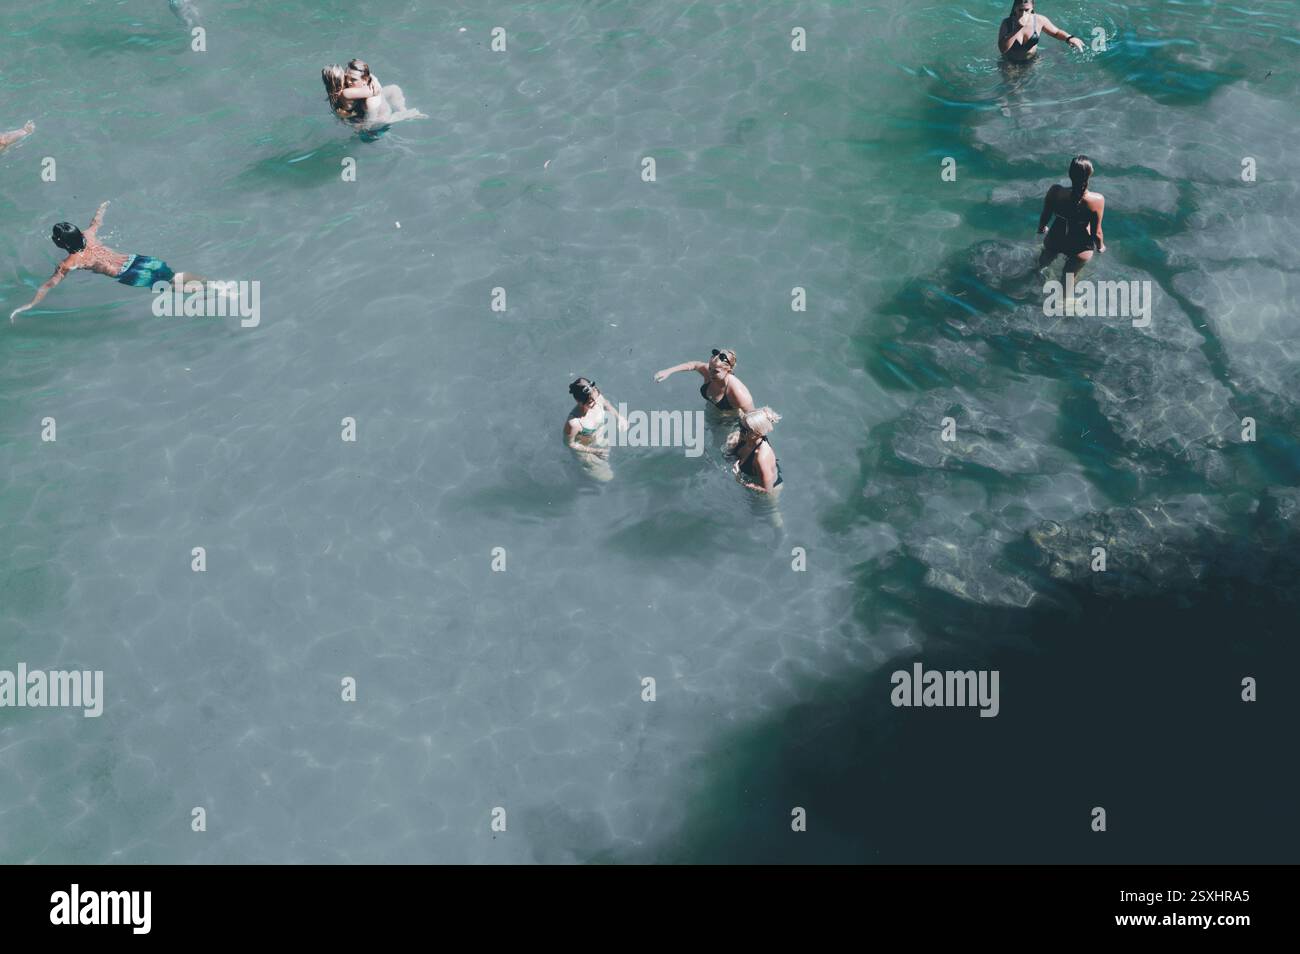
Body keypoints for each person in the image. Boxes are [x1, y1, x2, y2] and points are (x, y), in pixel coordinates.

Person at [9, 202, 211, 322]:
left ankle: (212, 292)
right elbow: (96, 222)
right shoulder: (90, 236)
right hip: (138, 259)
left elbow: (48, 285)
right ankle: (213, 284)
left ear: (59, 243)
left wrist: (28, 305)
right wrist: (102, 207)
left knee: (167, 288)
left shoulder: (68, 263)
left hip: (128, 274)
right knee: (174, 276)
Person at [1037, 155, 1105, 280]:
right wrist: (1101, 247)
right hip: (1080, 247)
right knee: (1068, 279)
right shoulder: (1097, 200)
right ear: (1090, 175)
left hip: (1054, 240)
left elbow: (1045, 215)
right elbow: (1097, 233)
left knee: (1040, 268)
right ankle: (1064, 299)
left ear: (1070, 174)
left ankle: (1036, 286)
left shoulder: (1055, 191)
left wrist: (1042, 228)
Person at [653, 348, 754, 414]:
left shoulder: (738, 392)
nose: (710, 373)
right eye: (710, 368)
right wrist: (668, 371)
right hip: (711, 413)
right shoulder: (709, 371)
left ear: (729, 371)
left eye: (716, 371)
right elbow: (694, 365)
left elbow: (753, 418)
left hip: (729, 422)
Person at [563, 378, 627, 481]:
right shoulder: (574, 422)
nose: (595, 403)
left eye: (595, 397)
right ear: (578, 401)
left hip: (600, 440)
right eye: (590, 402)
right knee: (607, 477)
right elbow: (569, 443)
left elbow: (606, 404)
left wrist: (619, 417)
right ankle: (578, 475)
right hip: (587, 451)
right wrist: (593, 451)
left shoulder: (596, 397)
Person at [998, 0, 1084, 62]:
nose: (1023, 14)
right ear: (1015, 9)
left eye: (1027, 10)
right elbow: (1003, 49)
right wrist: (1017, 28)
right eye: (1020, 10)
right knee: (1014, 86)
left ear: (1032, 8)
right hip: (1010, 63)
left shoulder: (1039, 20)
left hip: (1032, 60)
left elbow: (1056, 32)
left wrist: (1069, 38)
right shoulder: (1007, 23)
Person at [731, 407, 783, 494]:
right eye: (740, 425)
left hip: (770, 493)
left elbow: (767, 490)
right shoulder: (746, 438)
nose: (740, 431)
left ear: (757, 434)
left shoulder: (762, 458)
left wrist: (740, 479)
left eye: (744, 430)